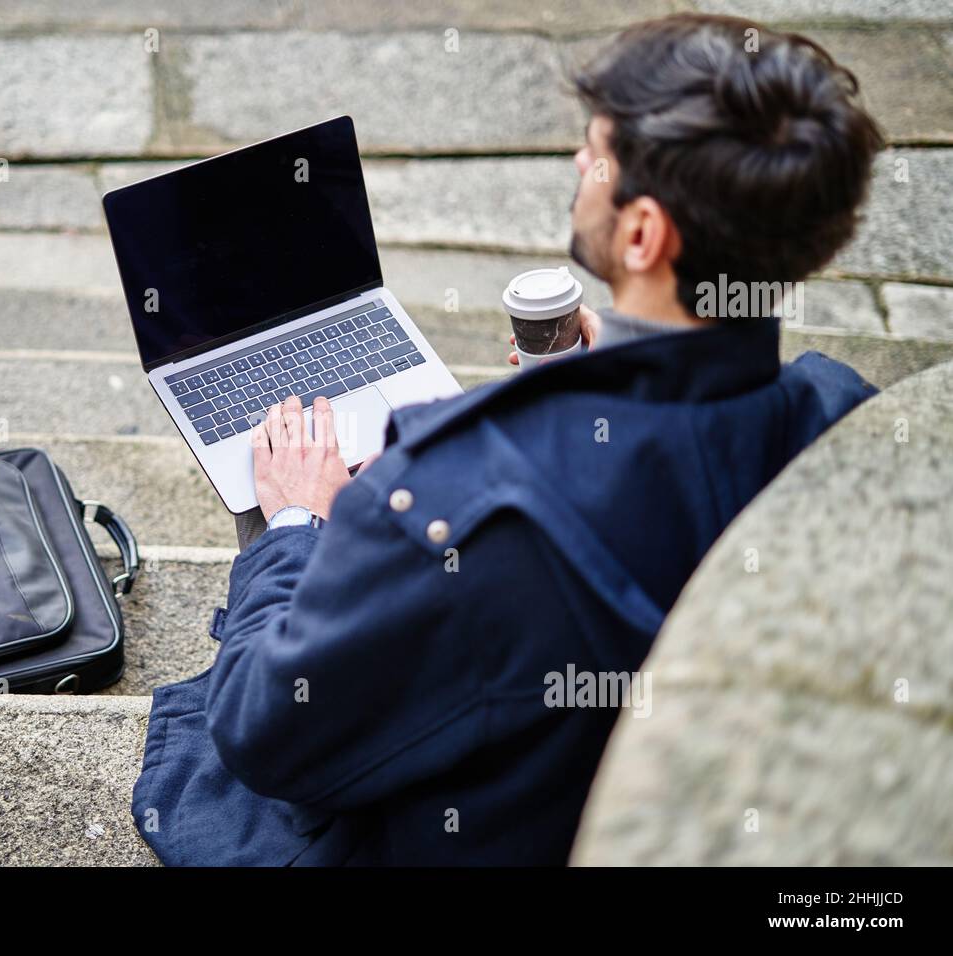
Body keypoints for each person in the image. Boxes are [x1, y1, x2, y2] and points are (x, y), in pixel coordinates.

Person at [131, 13, 883, 865]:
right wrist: (600, 389)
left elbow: (265, 735)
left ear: (642, 234)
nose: (577, 163)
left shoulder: (442, 501)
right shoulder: (839, 418)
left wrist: (299, 526)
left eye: (598, 153)